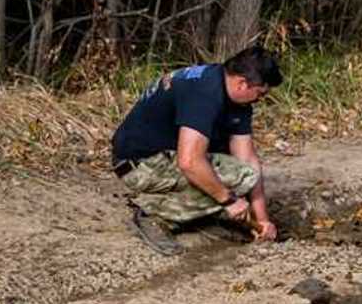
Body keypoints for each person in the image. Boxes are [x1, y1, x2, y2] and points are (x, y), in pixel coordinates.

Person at [111, 44, 283, 255]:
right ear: (242, 83)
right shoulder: (205, 93)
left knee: (244, 172)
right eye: (260, 93)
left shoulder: (232, 94)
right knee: (238, 177)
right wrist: (229, 201)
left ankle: (202, 217)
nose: (260, 99)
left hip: (166, 155)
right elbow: (189, 162)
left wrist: (262, 220)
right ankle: (155, 215)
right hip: (139, 164)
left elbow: (248, 159)